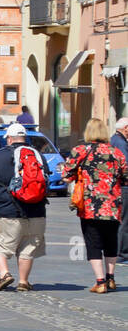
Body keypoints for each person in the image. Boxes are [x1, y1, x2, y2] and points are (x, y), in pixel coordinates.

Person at [0, 121, 48, 292]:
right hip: (36, 210)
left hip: (6, 210)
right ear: (25, 138)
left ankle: (4, 274)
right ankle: (24, 281)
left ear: (9, 139)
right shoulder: (38, 155)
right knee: (28, 246)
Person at [62, 118, 128, 294]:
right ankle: (111, 278)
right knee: (111, 241)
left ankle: (100, 282)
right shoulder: (116, 152)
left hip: (91, 205)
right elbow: (126, 176)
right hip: (113, 205)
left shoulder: (81, 150)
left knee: (93, 242)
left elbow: (66, 174)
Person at [113, 118, 128, 265]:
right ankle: (122, 254)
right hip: (124, 187)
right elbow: (126, 165)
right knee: (124, 222)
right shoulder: (121, 143)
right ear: (126, 128)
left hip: (119, 186)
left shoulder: (115, 140)